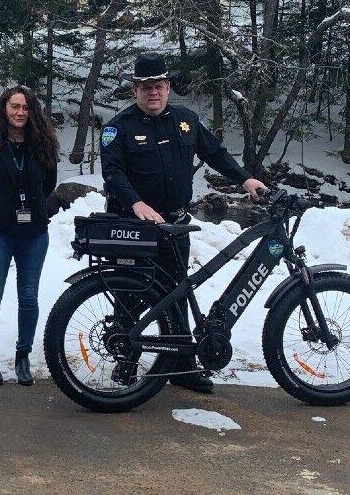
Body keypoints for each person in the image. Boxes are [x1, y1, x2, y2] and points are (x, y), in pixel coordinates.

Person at [100, 53, 267, 393]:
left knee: (177, 292)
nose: (153, 93)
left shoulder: (186, 121)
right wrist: (136, 203)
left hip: (175, 224)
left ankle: (182, 368)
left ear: (168, 87)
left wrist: (246, 179)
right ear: (135, 90)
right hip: (136, 225)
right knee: (131, 292)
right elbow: (113, 173)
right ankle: (126, 361)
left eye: (158, 86)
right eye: (145, 87)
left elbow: (215, 154)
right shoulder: (118, 128)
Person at [0, 85, 59, 386]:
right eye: (14, 106)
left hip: (32, 233)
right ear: (4, 109)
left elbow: (49, 184)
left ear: (32, 112)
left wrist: (33, 205)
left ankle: (23, 354)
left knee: (28, 296)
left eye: (25, 108)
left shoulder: (42, 144)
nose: (19, 113)